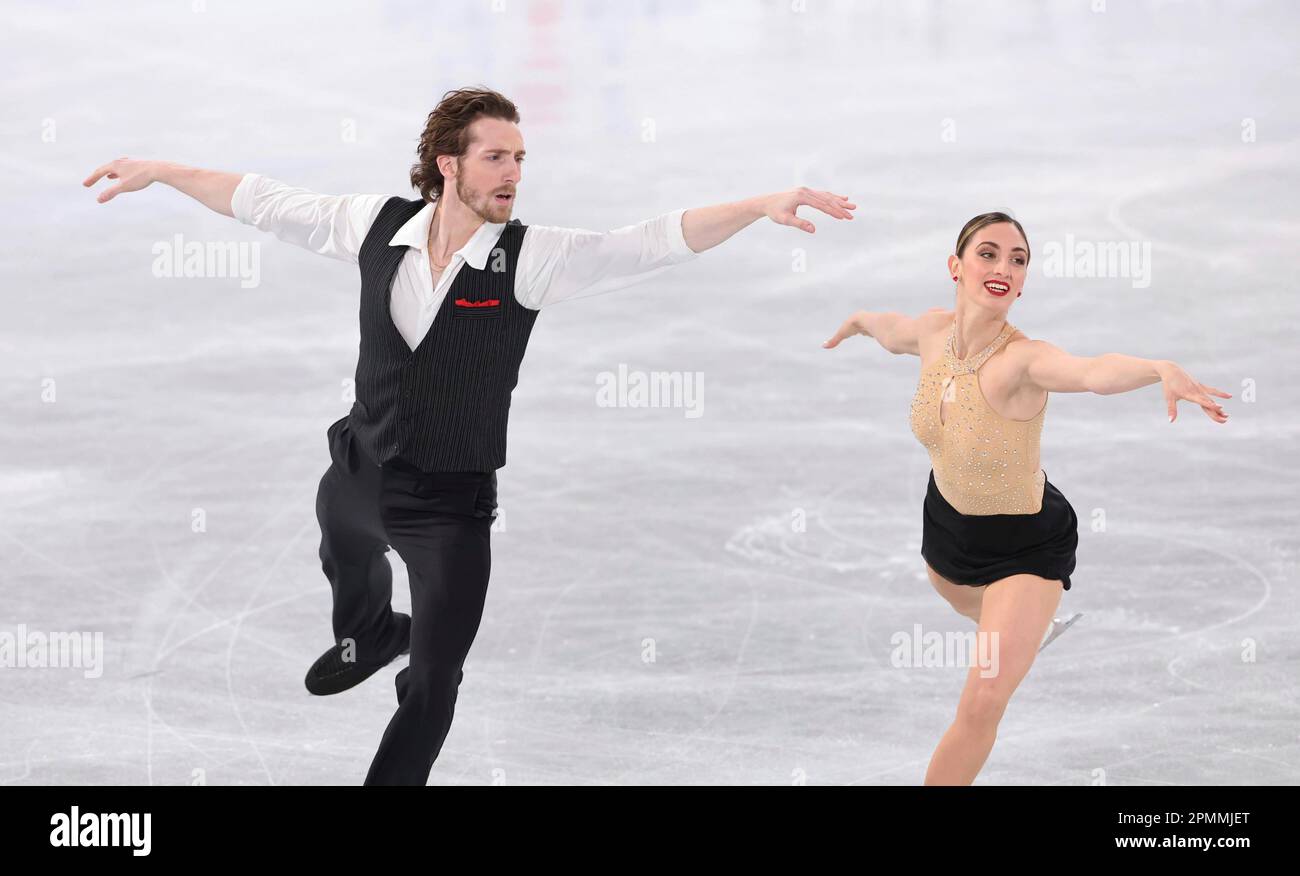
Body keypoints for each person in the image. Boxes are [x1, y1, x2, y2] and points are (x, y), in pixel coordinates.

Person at [83, 86, 855, 785]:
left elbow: (647, 241)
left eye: (519, 158)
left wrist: (758, 205)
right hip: (358, 469)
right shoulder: (376, 225)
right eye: (495, 157)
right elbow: (264, 200)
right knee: (341, 547)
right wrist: (163, 171)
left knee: (433, 686)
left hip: (447, 507)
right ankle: (373, 632)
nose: (512, 173)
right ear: (447, 164)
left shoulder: (528, 260)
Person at [822, 211, 1229, 785]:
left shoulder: (1024, 360)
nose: (1004, 268)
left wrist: (1155, 368)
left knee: (982, 700)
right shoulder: (932, 333)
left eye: (1018, 260)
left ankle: (1030, 622)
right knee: (995, 625)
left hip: (1026, 544)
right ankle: (1033, 631)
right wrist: (859, 321)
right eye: (988, 253)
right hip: (946, 535)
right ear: (955, 267)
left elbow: (1091, 372)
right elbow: (889, 329)